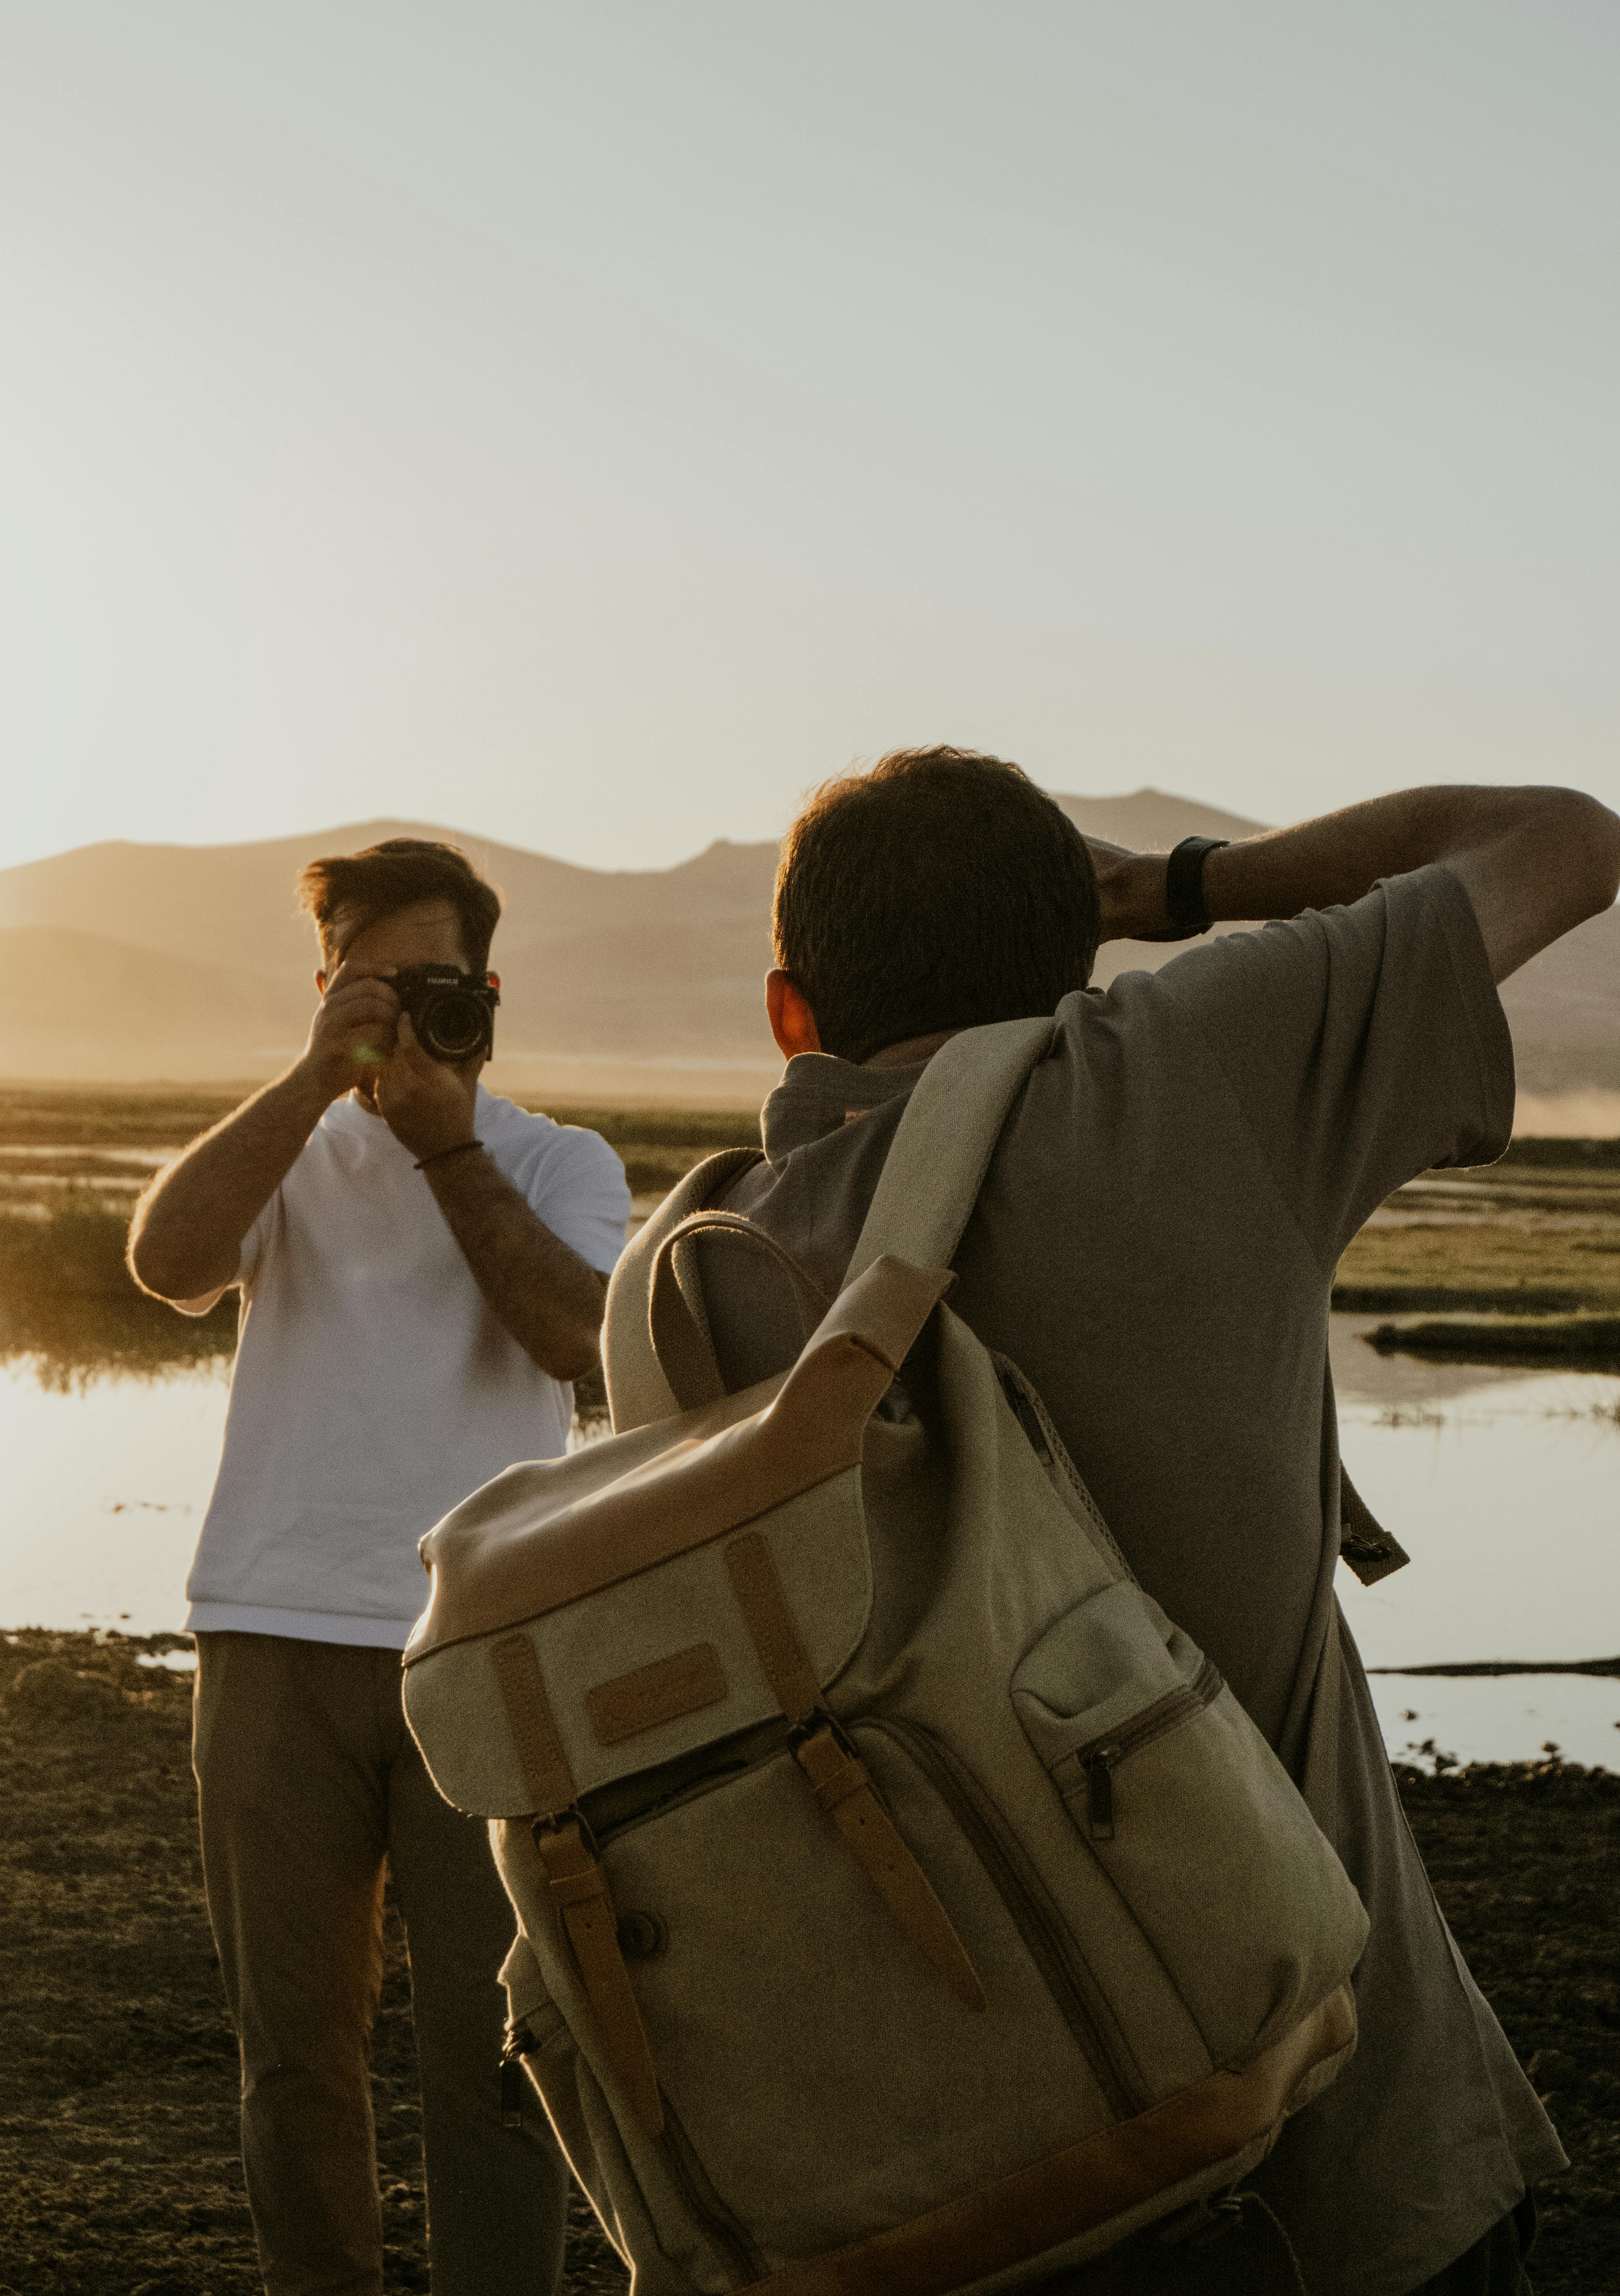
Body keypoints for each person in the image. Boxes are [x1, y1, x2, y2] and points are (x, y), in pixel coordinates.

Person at [690, 749, 1620, 2296]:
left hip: (945, 2205)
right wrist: (1169, 889)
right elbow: (1566, 841)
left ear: (789, 1012)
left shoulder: (684, 1275)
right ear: (1078, 964)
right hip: (1329, 2159)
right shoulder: (1187, 1072)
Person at [128, 836, 631, 2296]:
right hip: (270, 1633)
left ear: (488, 988)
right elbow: (167, 1261)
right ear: (327, 983)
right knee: (293, 2057)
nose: (408, 1011)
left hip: (488, 1651)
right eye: (372, 980)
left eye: (436, 984)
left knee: (503, 2057)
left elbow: (576, 1339)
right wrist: (310, 1080)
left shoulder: (557, 1160)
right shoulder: (292, 1148)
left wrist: (444, 1141)